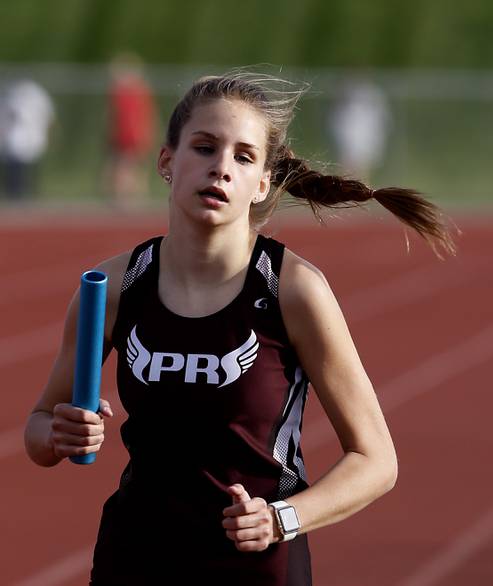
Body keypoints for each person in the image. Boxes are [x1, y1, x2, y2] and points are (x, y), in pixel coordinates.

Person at [24, 73, 454, 585]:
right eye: (205, 148)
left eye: (244, 157)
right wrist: (60, 433)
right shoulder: (115, 286)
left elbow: (376, 459)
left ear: (263, 184)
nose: (222, 168)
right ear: (166, 161)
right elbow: (40, 427)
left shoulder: (293, 290)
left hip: (255, 569)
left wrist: (281, 519)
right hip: (135, 559)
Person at [106, 53, 156, 208]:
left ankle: (127, 199)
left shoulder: (128, 91)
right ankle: (132, 197)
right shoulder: (136, 90)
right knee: (129, 167)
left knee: (126, 167)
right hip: (131, 134)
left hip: (130, 134)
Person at [0, 78, 55, 200]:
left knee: (30, 166)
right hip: (16, 138)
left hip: (31, 136)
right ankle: (14, 193)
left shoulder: (37, 96)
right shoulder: (12, 97)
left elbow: (48, 117)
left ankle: (28, 192)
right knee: (15, 167)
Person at [328, 77, 391, 183]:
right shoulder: (348, 104)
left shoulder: (371, 98)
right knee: (349, 165)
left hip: (362, 141)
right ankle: (344, 187)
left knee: (361, 166)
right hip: (350, 141)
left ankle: (360, 188)